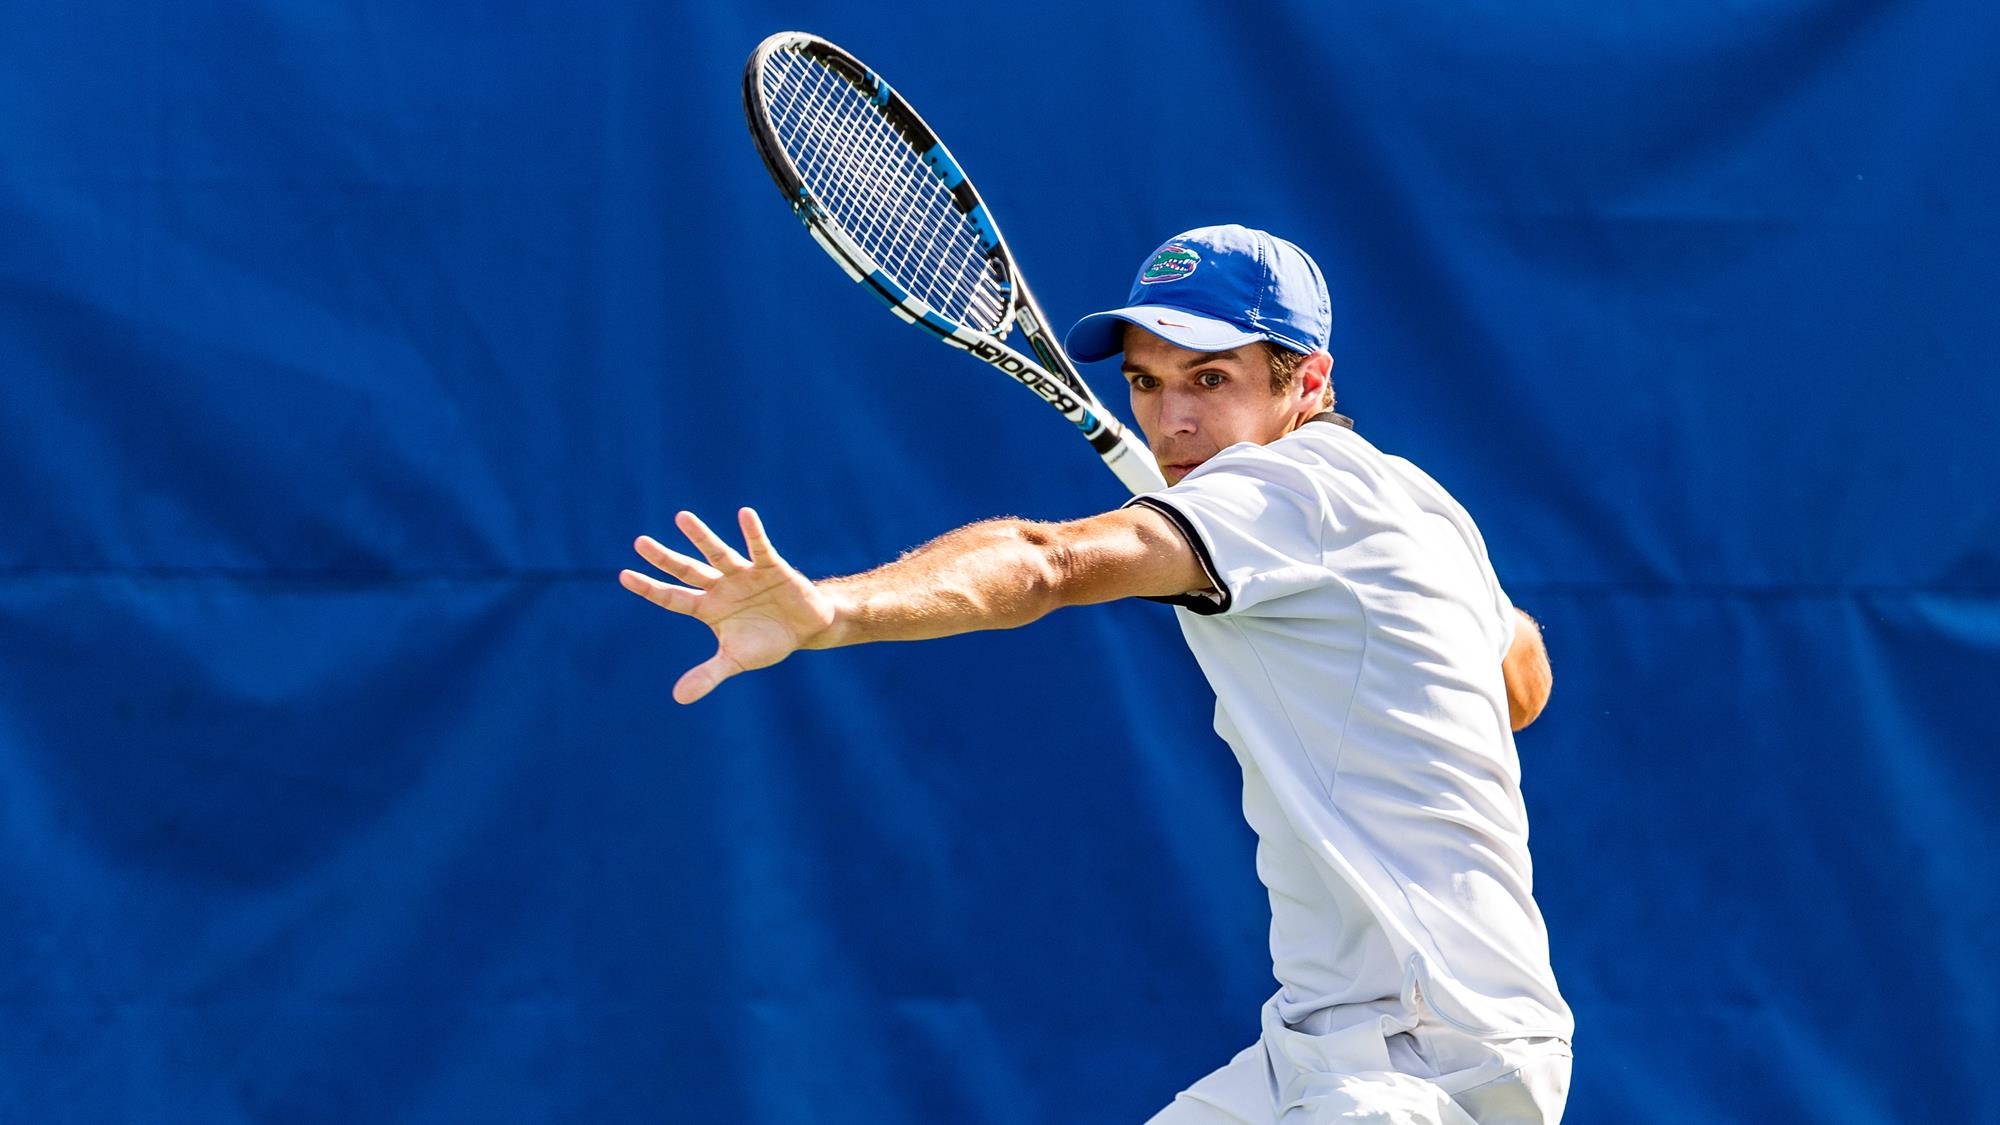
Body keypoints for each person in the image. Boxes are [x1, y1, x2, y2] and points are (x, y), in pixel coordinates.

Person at [620, 225, 1572, 1123]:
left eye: (1211, 377)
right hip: (1335, 1039)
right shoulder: (1419, 504)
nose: (1174, 417)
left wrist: (833, 610)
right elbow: (1521, 688)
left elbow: (1047, 561)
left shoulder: (1280, 490)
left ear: (1306, 381)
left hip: (1421, 1055)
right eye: (1149, 383)